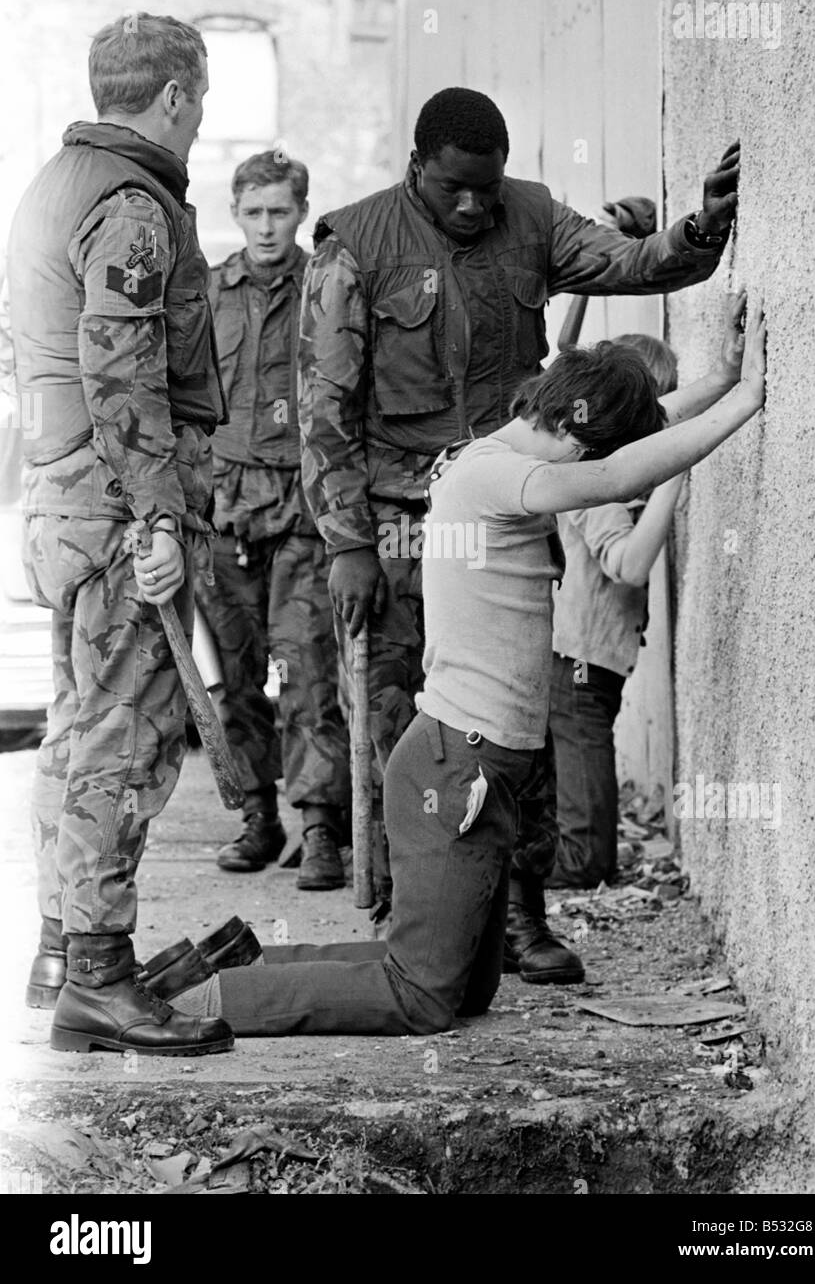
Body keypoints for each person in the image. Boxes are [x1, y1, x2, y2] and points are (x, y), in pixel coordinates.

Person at [166, 302, 767, 1037]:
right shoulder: (502, 479)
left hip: (479, 766)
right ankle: (196, 1005)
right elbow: (612, 473)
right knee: (421, 997)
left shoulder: (502, 456)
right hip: (456, 770)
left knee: (467, 985)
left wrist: (722, 378)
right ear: (571, 419)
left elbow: (623, 435)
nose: (585, 464)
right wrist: (746, 402)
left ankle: (225, 966)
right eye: (586, 446)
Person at [298, 85, 740, 978]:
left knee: (516, 720)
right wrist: (346, 543)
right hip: (399, 524)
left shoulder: (531, 216)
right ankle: (413, 915)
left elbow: (630, 263)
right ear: (417, 166)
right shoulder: (354, 248)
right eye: (454, 188)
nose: (472, 205)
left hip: (503, 507)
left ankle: (520, 914)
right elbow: (322, 411)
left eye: (486, 190)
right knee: (403, 723)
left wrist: (699, 229)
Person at [6, 12, 234, 1055]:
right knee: (120, 740)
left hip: (60, 497)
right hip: (114, 503)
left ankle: (62, 946)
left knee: (74, 729)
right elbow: (120, 368)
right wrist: (159, 513)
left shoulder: (54, 184)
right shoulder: (134, 205)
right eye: (202, 98)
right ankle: (99, 973)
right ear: (178, 96)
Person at [548, 295, 748, 888]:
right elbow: (630, 567)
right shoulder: (596, 485)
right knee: (583, 788)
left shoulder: (604, 472)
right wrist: (674, 470)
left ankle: (577, 860)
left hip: (595, 653)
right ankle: (579, 867)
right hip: (577, 655)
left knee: (580, 768)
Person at [195, 153, 351, 889]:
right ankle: (259, 818)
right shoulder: (205, 294)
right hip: (222, 509)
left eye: (279, 211)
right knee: (235, 675)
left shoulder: (326, 286)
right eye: (253, 212)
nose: (266, 226)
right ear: (235, 213)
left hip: (300, 506)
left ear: (300, 211)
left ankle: (320, 826)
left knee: (307, 672)